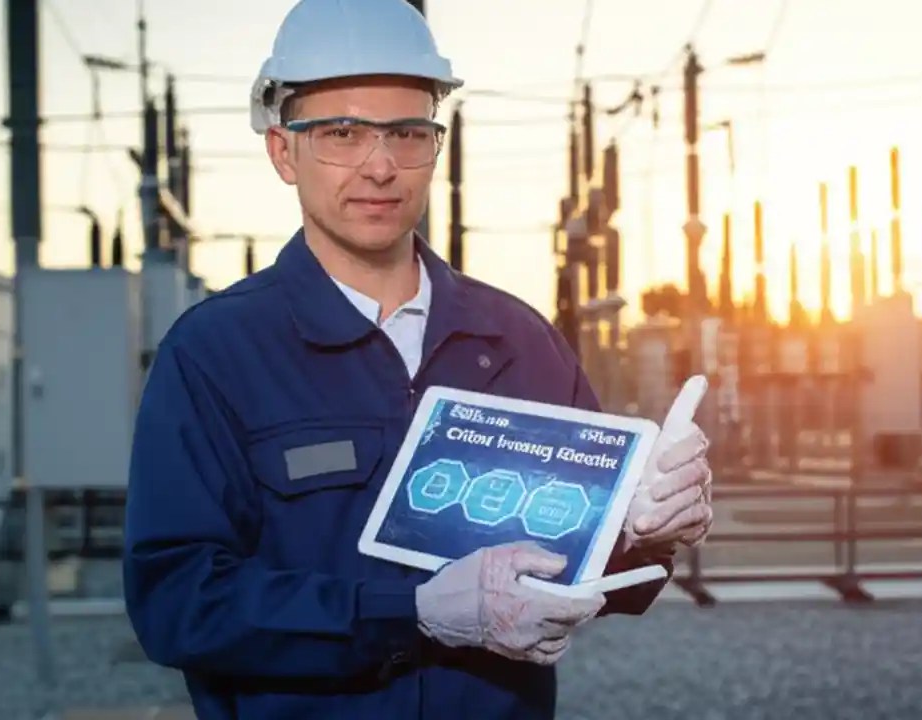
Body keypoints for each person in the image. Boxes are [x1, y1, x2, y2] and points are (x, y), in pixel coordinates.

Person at [122, 0, 714, 717]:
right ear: (283, 151)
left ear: (436, 145)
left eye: (407, 133)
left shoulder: (517, 341)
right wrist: (412, 613)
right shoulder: (216, 355)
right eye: (342, 133)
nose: (380, 166)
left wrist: (642, 533)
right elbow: (177, 601)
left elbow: (604, 578)